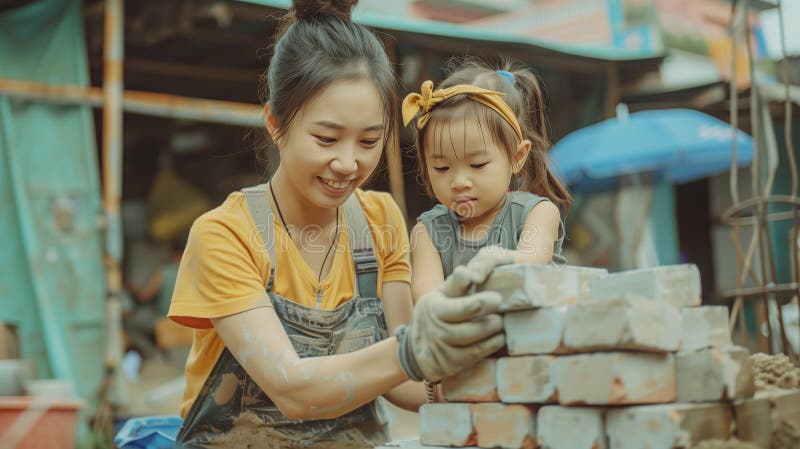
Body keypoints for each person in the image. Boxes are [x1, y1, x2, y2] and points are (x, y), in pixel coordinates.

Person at [167, 2, 509, 447]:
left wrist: (489, 378)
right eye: (326, 139)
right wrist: (416, 347)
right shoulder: (224, 236)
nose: (348, 163)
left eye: (369, 141)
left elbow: (404, 380)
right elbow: (292, 389)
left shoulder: (379, 220)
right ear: (276, 124)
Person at [405, 60, 572, 300]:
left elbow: (532, 260)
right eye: (441, 168)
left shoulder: (538, 213)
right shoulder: (427, 232)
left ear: (517, 157)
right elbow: (427, 296)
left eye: (477, 165)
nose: (459, 182)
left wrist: (494, 260)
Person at [123, 237, 184, 359]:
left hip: (165, 322)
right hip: (190, 323)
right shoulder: (195, 272)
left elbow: (144, 296)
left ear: (173, 254)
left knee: (130, 324)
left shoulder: (164, 272)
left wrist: (128, 286)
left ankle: (153, 354)